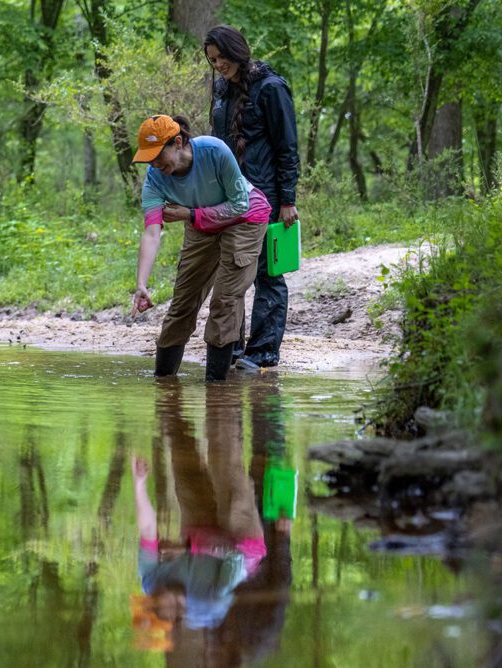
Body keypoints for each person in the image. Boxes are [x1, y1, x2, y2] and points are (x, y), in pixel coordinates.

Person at [131, 114, 271, 381]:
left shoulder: (215, 151)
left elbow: (240, 204)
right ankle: (164, 382)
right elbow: (151, 232)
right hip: (200, 223)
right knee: (183, 301)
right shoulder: (155, 179)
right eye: (148, 158)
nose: (154, 163)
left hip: (245, 219)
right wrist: (141, 283)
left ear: (179, 142)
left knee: (224, 300)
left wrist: (190, 214)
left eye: (158, 155)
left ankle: (216, 386)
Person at [130, 381, 266, 637]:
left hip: (197, 535)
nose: (154, 597)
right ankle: (225, 390)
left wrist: (139, 486)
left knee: (183, 463)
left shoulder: (150, 581)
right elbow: (233, 555)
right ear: (173, 616)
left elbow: (148, 529)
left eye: (149, 602)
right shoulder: (208, 602)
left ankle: (172, 399)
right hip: (241, 546)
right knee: (226, 463)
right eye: (158, 607)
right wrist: (187, 548)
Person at [204, 25, 300, 370]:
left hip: (268, 194)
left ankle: (262, 353)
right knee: (233, 269)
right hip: (228, 195)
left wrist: (287, 199)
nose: (218, 65)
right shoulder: (219, 88)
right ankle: (232, 348)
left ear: (237, 51)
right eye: (212, 60)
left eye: (222, 57)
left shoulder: (271, 88)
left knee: (267, 272)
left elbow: (287, 147)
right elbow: (217, 145)